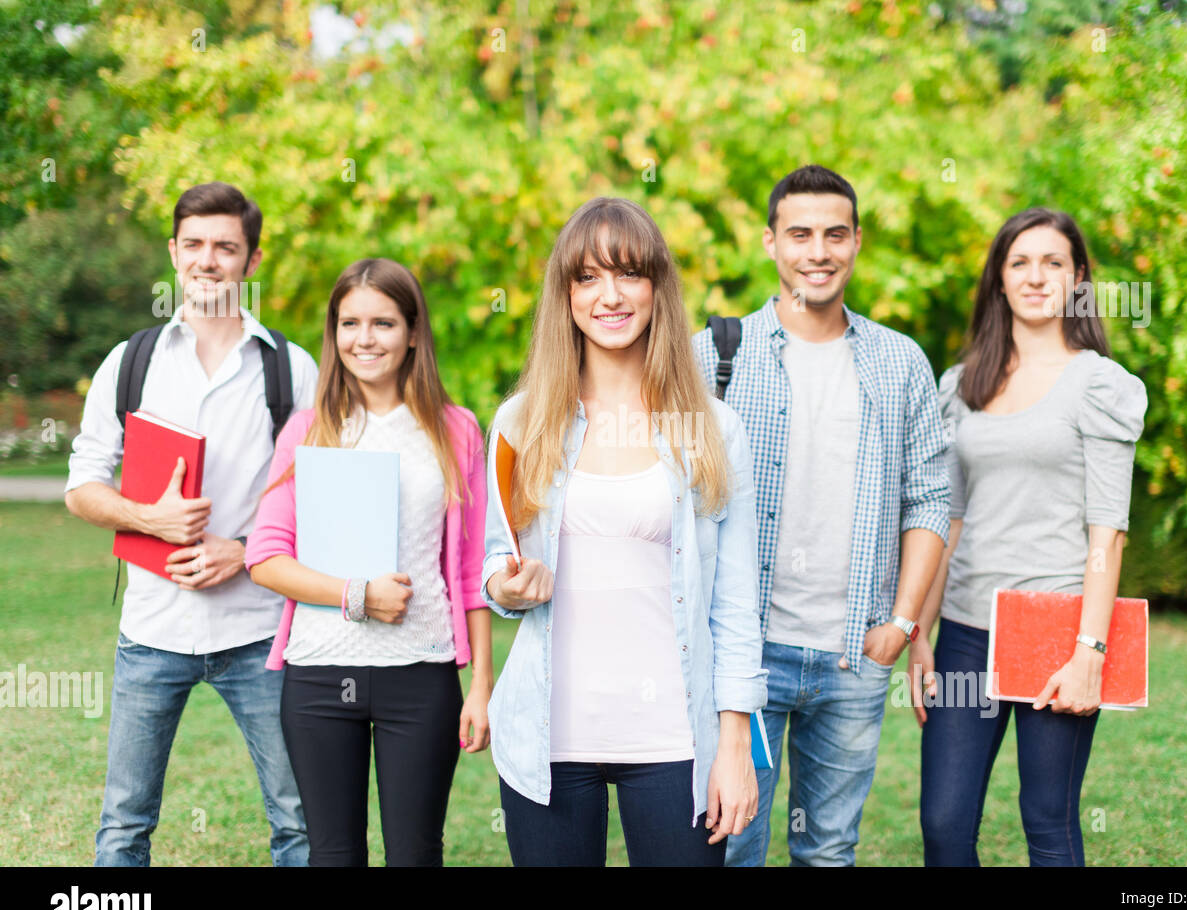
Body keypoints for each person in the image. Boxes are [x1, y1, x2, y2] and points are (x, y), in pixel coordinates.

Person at [482, 196, 766, 867]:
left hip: (675, 739)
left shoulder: (714, 429)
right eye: (587, 278)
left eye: (629, 274)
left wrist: (734, 749)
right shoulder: (520, 422)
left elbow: (735, 605)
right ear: (566, 295)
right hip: (550, 738)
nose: (609, 296)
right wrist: (511, 586)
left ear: (657, 287)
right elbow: (500, 560)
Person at [693, 164, 951, 867]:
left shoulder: (900, 363)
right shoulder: (711, 356)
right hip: (742, 656)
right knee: (727, 846)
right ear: (770, 243)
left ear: (857, 242)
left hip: (853, 656)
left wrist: (902, 623)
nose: (819, 251)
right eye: (800, 233)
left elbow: (929, 496)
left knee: (829, 851)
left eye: (835, 234)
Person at [65, 181, 317, 866]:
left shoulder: (292, 370)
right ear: (174, 252)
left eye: (226, 248)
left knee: (300, 822)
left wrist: (241, 551)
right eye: (196, 245)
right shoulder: (132, 362)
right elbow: (81, 487)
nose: (209, 260)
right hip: (152, 632)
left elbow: (321, 501)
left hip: (260, 631)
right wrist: (147, 516)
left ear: (251, 260)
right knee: (124, 824)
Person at [911, 207, 1148, 866]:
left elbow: (1109, 530)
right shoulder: (962, 385)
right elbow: (949, 518)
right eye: (1020, 262)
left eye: (1053, 262)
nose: (1035, 276)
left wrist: (1090, 653)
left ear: (1077, 278)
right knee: (944, 823)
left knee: (1046, 820)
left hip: (1058, 628)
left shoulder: (1097, 384)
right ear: (999, 279)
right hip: (963, 631)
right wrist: (922, 634)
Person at [245, 258, 491, 866]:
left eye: (382, 322)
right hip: (321, 675)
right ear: (334, 334)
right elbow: (265, 558)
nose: (364, 339)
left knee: (415, 854)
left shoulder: (455, 431)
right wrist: (358, 595)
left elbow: (470, 570)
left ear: (413, 332)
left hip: (422, 673)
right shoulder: (307, 430)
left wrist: (481, 683)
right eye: (349, 323)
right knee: (333, 855)